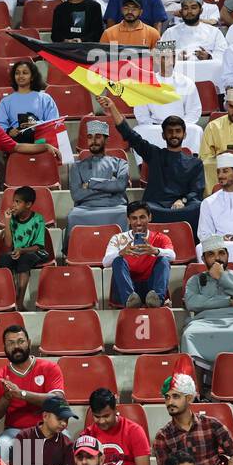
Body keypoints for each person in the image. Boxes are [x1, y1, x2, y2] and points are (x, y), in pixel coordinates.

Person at [98, 95, 204, 228]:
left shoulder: (195, 163)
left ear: (185, 134)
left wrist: (182, 200)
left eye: (178, 131)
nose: (174, 135)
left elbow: (196, 191)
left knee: (198, 207)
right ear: (163, 135)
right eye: (170, 131)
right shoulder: (155, 154)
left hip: (182, 206)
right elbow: (130, 135)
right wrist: (113, 108)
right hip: (156, 206)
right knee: (143, 211)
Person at [0, 324, 67, 462]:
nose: (16, 346)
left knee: (65, 443)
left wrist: (21, 394)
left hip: (49, 428)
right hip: (15, 432)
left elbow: (58, 401)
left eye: (21, 341)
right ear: (4, 348)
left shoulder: (49, 367)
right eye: (11, 343)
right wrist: (7, 396)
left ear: (29, 343)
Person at [182, 235, 233, 373]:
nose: (217, 258)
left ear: (227, 255)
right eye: (211, 254)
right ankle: (196, 392)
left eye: (221, 253)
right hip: (204, 322)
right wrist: (229, 301)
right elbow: (192, 303)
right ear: (203, 259)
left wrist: (222, 277)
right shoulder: (196, 280)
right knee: (189, 335)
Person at [153, 372, 233, 465]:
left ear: (189, 398)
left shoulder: (211, 424)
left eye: (176, 396)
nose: (170, 402)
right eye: (167, 397)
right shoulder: (162, 436)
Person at [102, 201, 174, 308]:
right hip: (128, 286)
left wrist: (155, 251)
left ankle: (157, 299)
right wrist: (122, 252)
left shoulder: (161, 238)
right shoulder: (118, 238)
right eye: (134, 218)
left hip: (151, 288)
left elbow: (172, 256)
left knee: (163, 260)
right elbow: (105, 262)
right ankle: (130, 299)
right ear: (128, 220)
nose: (138, 222)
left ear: (150, 217)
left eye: (142, 217)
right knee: (118, 260)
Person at [66, 120, 128, 234]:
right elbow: (77, 195)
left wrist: (90, 184)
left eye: (98, 137)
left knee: (126, 213)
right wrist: (109, 187)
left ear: (106, 139)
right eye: (90, 137)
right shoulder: (77, 166)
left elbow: (120, 186)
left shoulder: (120, 163)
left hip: (115, 207)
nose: (93, 141)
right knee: (73, 216)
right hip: (86, 209)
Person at [0, 186, 48, 310]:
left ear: (28, 204)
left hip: (35, 252)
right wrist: (7, 222)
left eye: (18, 202)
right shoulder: (12, 219)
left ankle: (19, 301)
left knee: (24, 259)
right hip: (18, 252)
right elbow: (8, 244)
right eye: (13, 201)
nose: (13, 205)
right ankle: (12, 297)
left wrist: (22, 250)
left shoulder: (38, 219)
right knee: (4, 259)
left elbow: (38, 246)